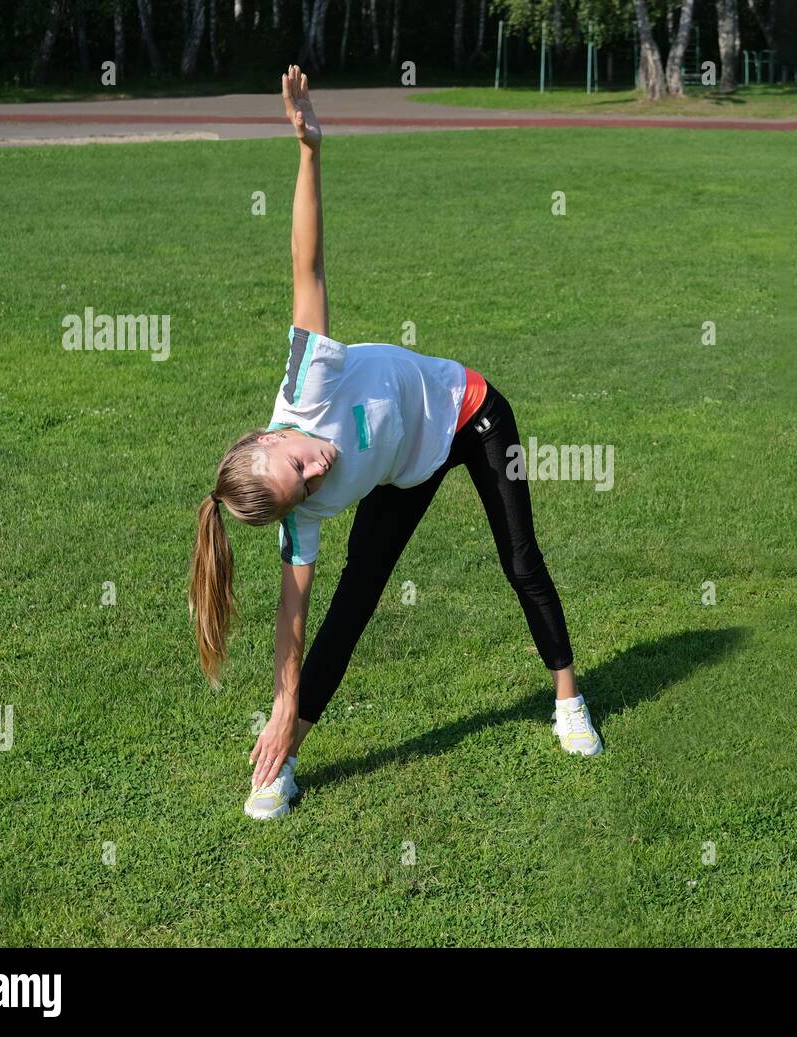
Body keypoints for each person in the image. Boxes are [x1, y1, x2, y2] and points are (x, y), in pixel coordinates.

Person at [187, 67, 603, 822]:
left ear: (272, 434)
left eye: (299, 465)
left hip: (470, 414)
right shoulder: (302, 507)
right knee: (352, 603)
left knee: (519, 557)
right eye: (304, 490)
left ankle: (569, 699)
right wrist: (280, 710)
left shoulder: (307, 381)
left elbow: (305, 265)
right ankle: (285, 766)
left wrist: (309, 150)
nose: (317, 474)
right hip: (404, 472)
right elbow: (293, 616)